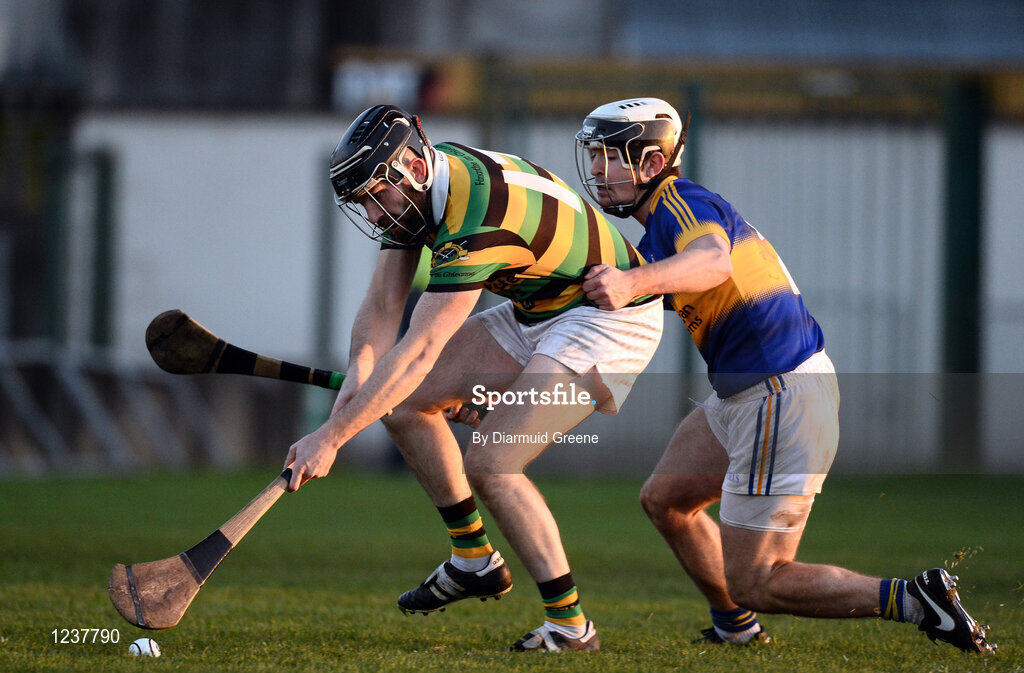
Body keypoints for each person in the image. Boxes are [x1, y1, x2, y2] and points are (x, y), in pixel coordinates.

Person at [573, 97, 996, 653]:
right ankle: (735, 628)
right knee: (666, 499)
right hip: (752, 391)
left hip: (778, 391)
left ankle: (915, 599)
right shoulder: (658, 232)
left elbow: (714, 263)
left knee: (760, 579)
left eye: (611, 156)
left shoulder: (679, 202)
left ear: (653, 164)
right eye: (595, 156)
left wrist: (632, 284)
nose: (599, 171)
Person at [284, 104, 664, 651]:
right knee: (403, 405)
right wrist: (360, 376)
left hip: (609, 321)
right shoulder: (422, 191)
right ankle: (473, 560)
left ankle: (571, 627)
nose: (371, 212)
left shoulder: (477, 217)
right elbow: (382, 305)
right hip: (539, 310)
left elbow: (419, 349)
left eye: (374, 195)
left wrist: (331, 436)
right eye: (361, 201)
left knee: (493, 461)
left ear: (412, 167)